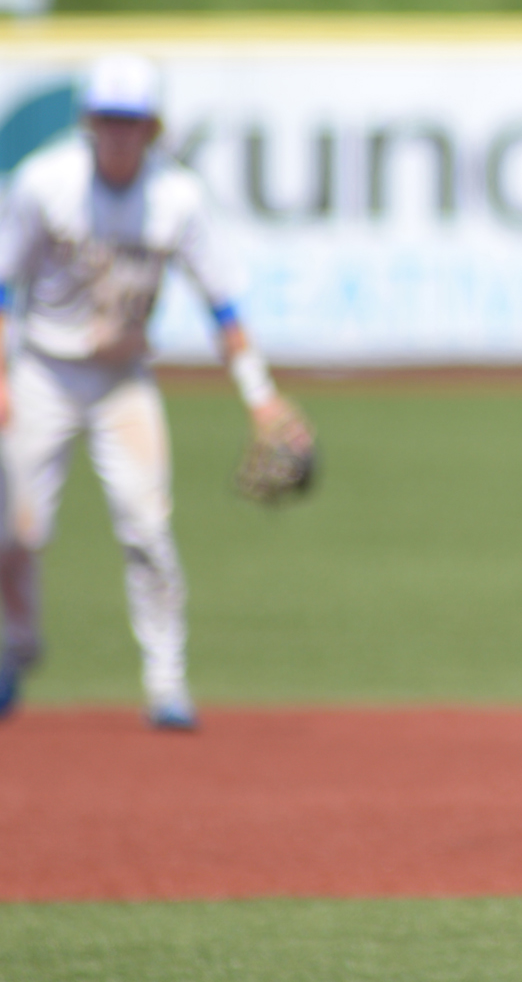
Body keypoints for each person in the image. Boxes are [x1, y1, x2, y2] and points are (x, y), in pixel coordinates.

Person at [0, 55, 301, 729]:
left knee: (147, 529)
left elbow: (223, 303)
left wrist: (261, 396)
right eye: (107, 121)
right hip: (44, 370)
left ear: (153, 129)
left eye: (131, 123)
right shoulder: (45, 184)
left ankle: (167, 684)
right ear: (87, 124)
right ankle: (16, 654)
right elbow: (3, 283)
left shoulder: (178, 199)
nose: (118, 135)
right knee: (18, 534)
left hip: (122, 380)